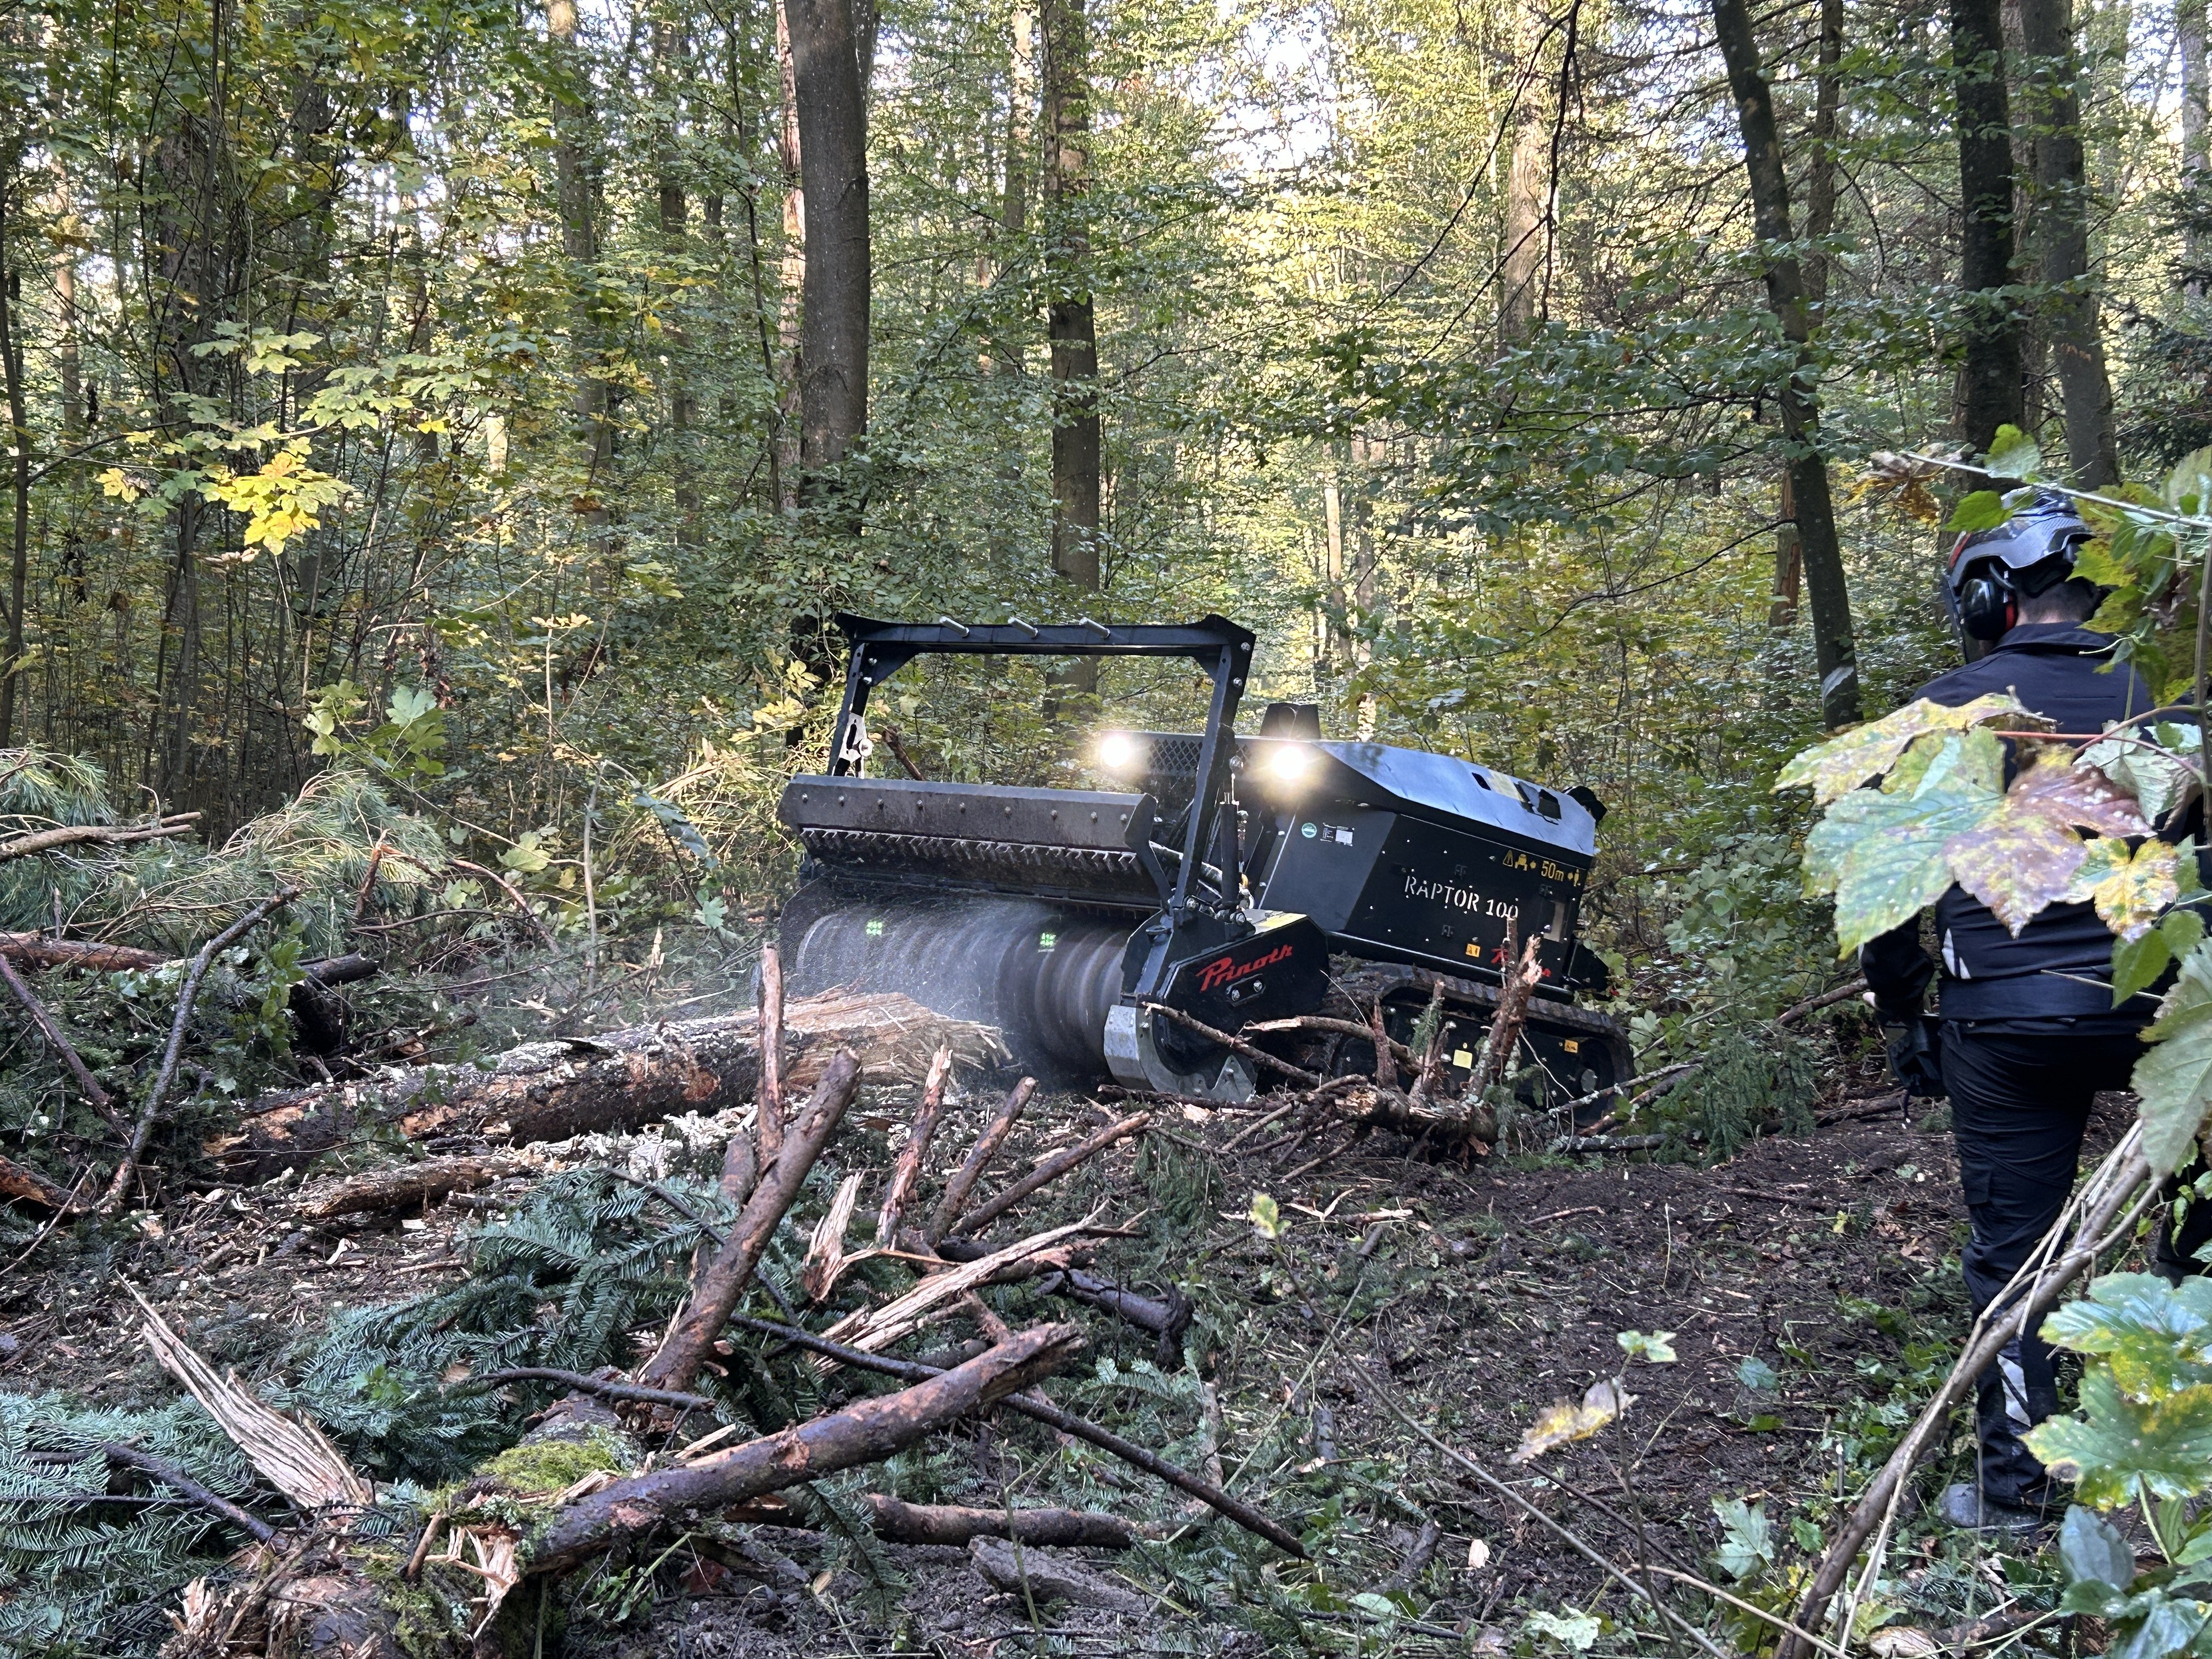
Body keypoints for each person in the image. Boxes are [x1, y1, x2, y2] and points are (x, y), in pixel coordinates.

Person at [1859, 489, 2159, 1533]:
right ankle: (2176, 1471)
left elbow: (1887, 890)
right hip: (2169, 1009)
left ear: (1991, 597)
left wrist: (1906, 1015)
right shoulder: (2172, 698)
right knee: (2199, 1238)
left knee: (2014, 1253)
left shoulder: (1949, 715)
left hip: (2006, 1015)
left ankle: (2018, 1496)